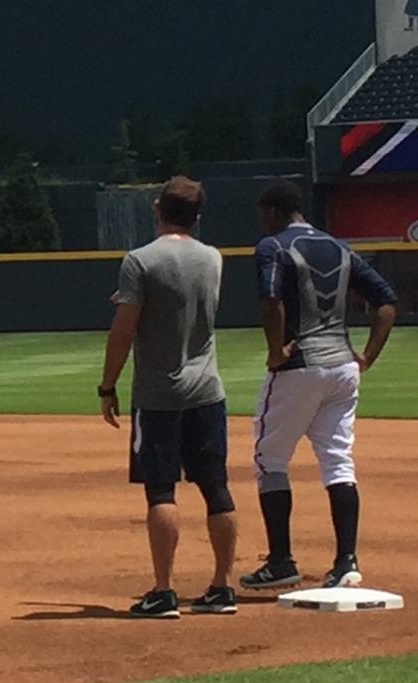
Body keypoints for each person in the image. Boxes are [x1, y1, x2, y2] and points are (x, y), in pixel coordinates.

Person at [239, 180, 397, 592]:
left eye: (262, 213)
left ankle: (280, 561)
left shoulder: (272, 247)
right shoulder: (340, 247)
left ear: (273, 211)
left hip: (298, 367)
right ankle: (346, 561)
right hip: (344, 365)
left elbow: (270, 300)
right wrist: (368, 356)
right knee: (337, 460)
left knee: (269, 459)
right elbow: (386, 303)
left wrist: (275, 350)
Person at [99, 176, 238, 619]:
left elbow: (123, 332)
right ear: (197, 215)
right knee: (216, 488)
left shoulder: (139, 260)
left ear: (157, 208)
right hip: (207, 390)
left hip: (159, 393)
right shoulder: (213, 258)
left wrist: (107, 386)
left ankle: (164, 591)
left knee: (161, 491)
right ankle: (222, 587)